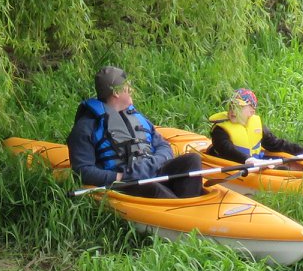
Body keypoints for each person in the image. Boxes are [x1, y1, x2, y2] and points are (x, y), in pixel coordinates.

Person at [66, 66, 204, 198]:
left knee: (193, 160)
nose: (131, 89)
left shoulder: (136, 117)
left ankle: (190, 206)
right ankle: (179, 215)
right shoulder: (86, 126)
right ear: (116, 92)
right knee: (153, 188)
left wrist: (152, 164)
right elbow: (82, 170)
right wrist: (120, 177)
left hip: (152, 168)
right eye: (127, 86)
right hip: (126, 180)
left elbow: (163, 146)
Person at [205, 88, 303, 166]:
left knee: (283, 166)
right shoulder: (220, 130)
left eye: (239, 107)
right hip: (231, 163)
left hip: (254, 162)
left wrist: (302, 150)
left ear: (251, 111)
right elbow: (227, 150)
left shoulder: (256, 125)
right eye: (231, 106)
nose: (232, 111)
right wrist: (247, 159)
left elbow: (275, 144)